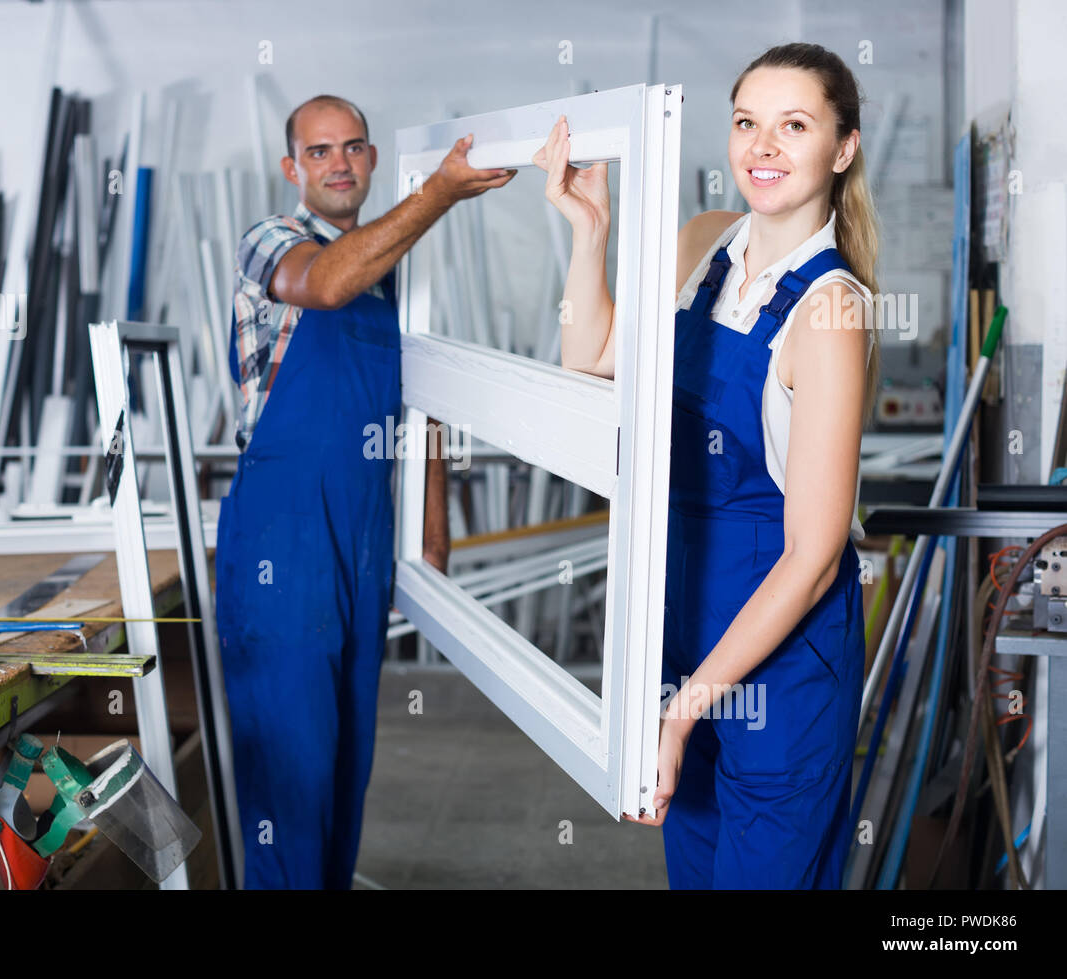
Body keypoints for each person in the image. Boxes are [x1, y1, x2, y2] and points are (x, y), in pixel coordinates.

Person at [536, 42, 880, 888]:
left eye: (793, 126)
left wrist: (683, 716)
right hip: (686, 634)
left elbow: (813, 556)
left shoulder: (831, 312)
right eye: (746, 123)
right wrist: (590, 233)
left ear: (842, 150)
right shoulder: (702, 244)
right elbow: (594, 353)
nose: (762, 147)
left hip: (784, 665)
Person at [216, 94, 515, 889]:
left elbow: (424, 404)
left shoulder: (391, 271)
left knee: (347, 768)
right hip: (282, 544)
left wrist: (431, 542)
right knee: (294, 771)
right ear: (293, 168)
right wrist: (439, 196)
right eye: (320, 152)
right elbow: (325, 285)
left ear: (372, 159)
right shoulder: (269, 243)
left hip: (359, 541)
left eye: (352, 147)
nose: (339, 162)